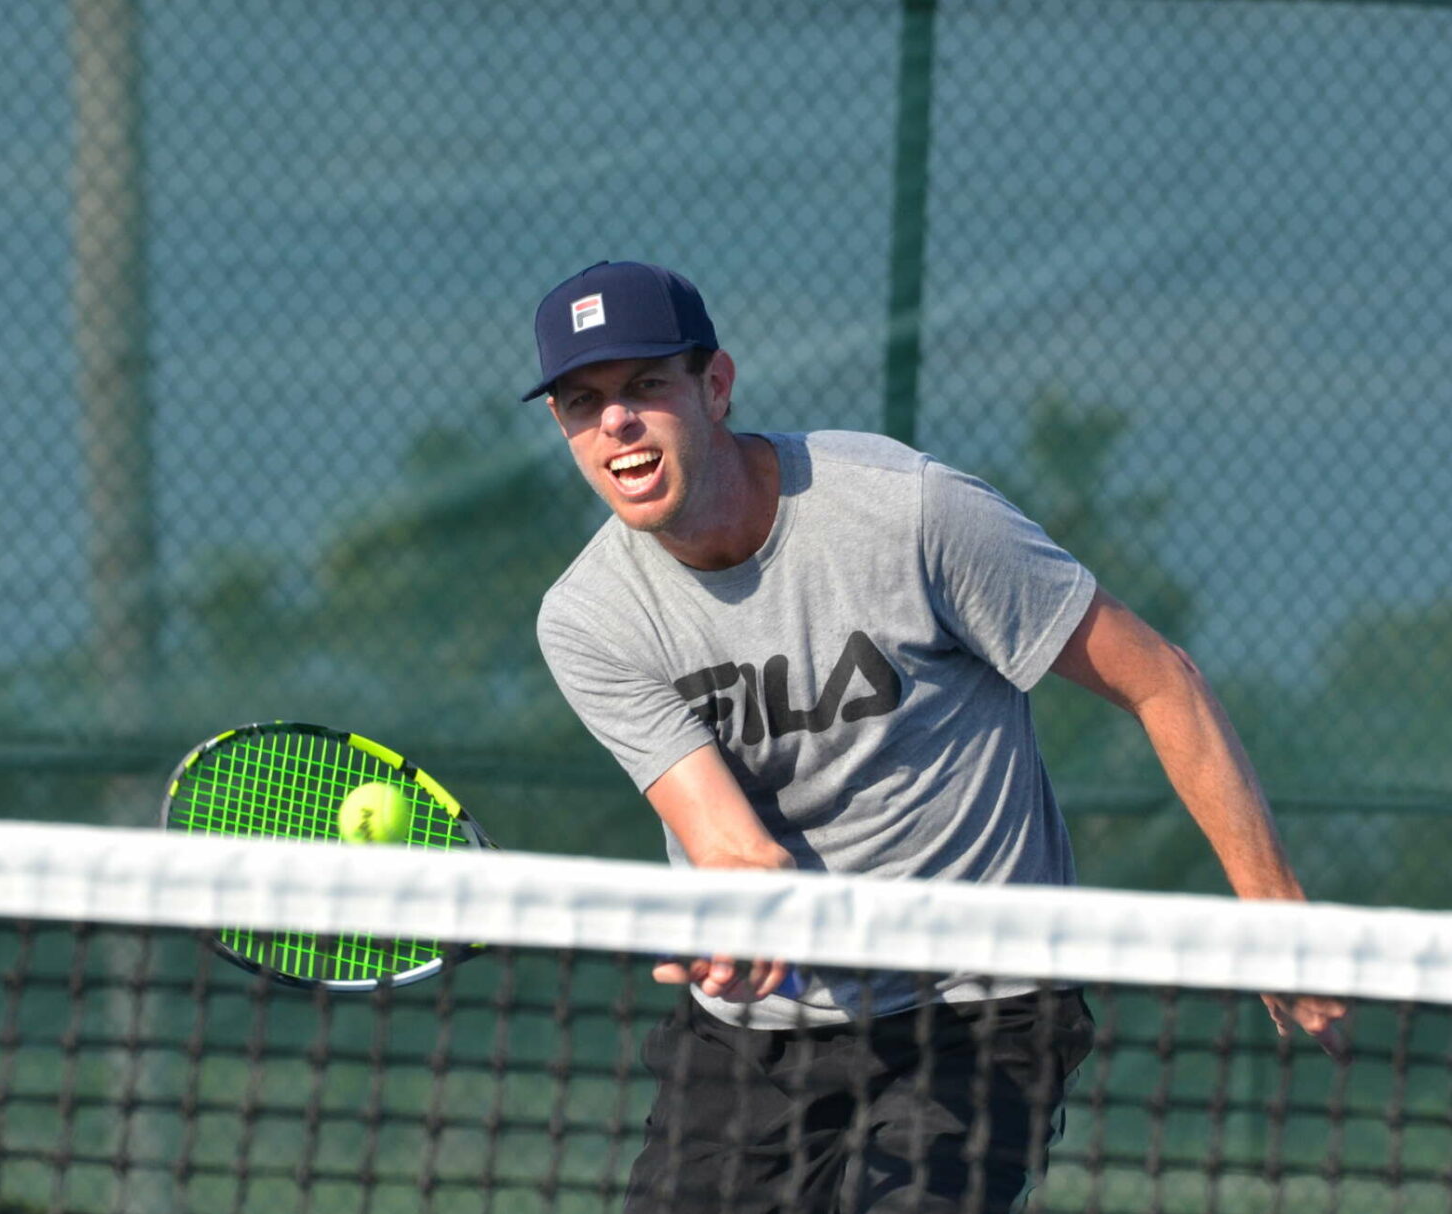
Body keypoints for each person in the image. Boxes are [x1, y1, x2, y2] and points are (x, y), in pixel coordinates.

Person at [523, 260, 1347, 1213]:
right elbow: (732, 847)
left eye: (645, 388)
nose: (615, 424)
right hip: (761, 1033)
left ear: (715, 386)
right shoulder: (589, 619)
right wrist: (743, 927)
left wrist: (1282, 919)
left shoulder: (909, 514)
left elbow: (1162, 681)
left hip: (978, 1001)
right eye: (584, 404)